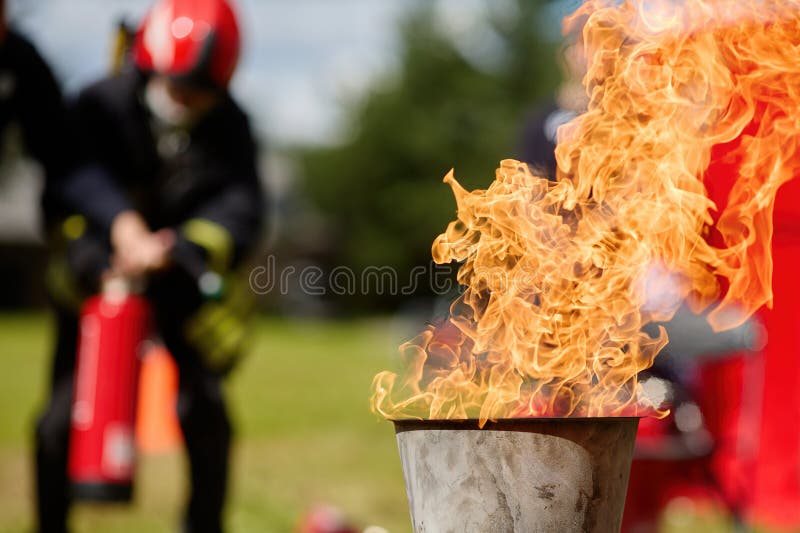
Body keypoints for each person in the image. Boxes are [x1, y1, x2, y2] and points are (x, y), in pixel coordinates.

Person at [36, 1, 265, 532]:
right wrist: (101, 257)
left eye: (201, 94)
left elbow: (241, 208)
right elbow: (64, 194)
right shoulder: (97, 107)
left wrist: (186, 249)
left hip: (179, 281)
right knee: (59, 419)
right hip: (98, 286)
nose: (188, 102)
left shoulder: (231, 125)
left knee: (205, 414)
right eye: (180, 88)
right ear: (151, 66)